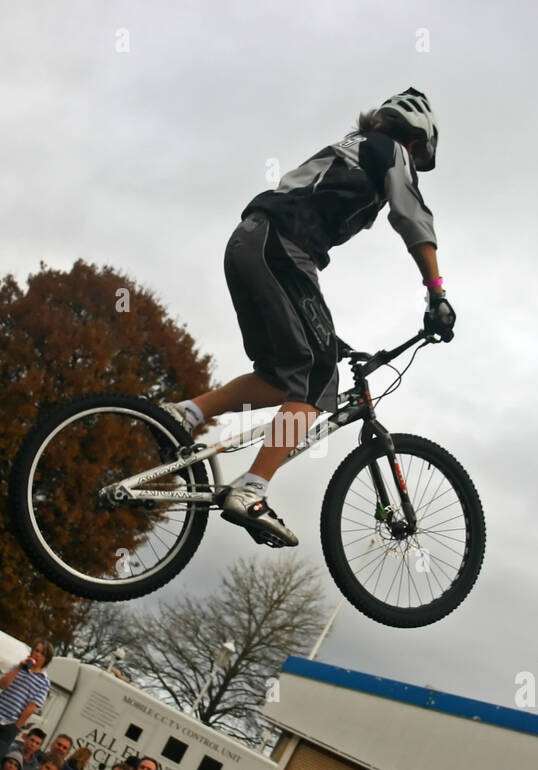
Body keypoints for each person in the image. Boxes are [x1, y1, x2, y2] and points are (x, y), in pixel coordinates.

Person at [160, 88, 453, 548]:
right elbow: (411, 214)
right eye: (418, 154)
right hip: (282, 248)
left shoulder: (351, 150)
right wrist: (437, 294)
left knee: (282, 377)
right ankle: (251, 489)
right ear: (414, 140)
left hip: (250, 243)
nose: (414, 162)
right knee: (318, 381)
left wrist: (324, 331)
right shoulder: (389, 149)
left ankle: (183, 415)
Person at [0, 640, 52, 770]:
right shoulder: (18, 667)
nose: (37, 654)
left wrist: (16, 726)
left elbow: (31, 707)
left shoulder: (44, 682)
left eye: (41, 653)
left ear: (46, 659)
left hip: (11, 723)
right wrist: (19, 668)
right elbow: (3, 684)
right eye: (36, 650)